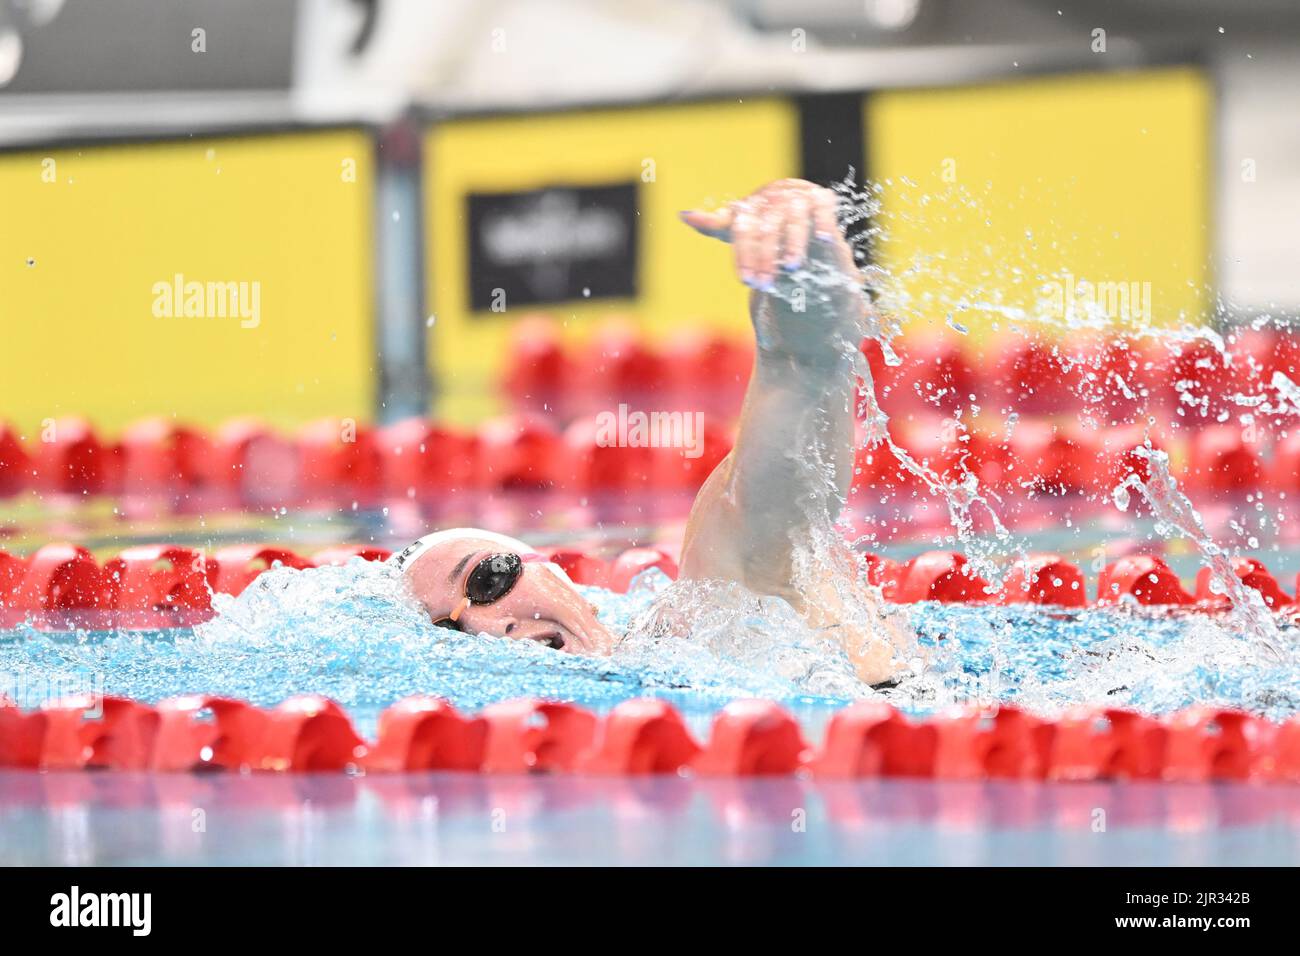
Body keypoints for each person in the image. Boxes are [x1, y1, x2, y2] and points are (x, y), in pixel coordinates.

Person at [395, 179, 903, 683]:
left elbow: (801, 371)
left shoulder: (708, 625)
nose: (489, 628)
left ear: (555, 570)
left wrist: (803, 280)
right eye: (450, 635)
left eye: (489, 579)